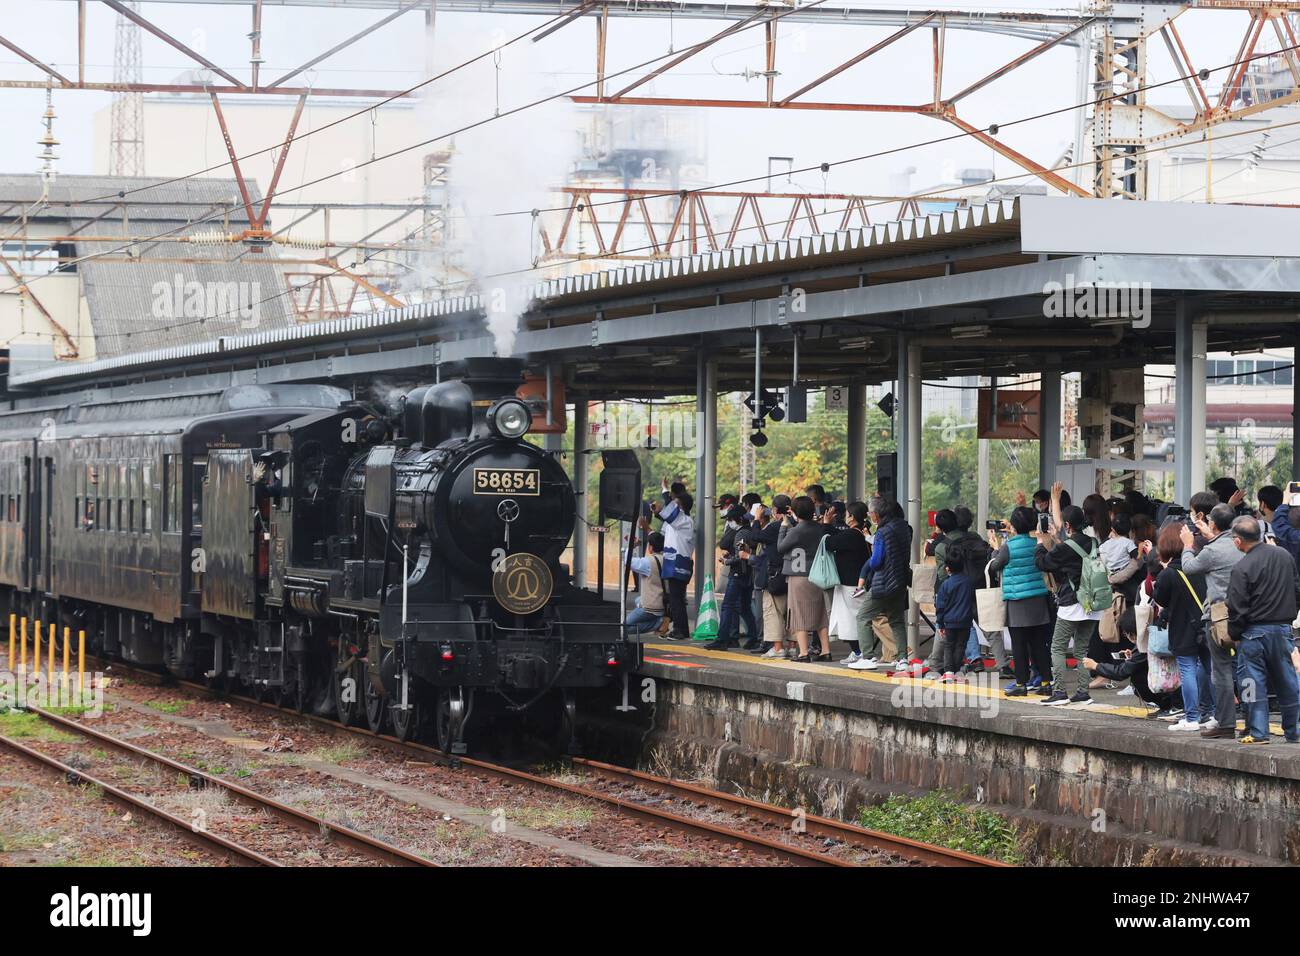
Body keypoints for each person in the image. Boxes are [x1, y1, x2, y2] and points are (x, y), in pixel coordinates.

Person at [1226, 515, 1300, 743]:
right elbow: (1297, 589)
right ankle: (1294, 730)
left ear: (1238, 541)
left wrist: (1235, 634)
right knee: (1288, 681)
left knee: (1250, 684)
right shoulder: (1284, 556)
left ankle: (1258, 732)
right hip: (1283, 629)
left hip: (1253, 634)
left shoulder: (1242, 567)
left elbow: (1237, 607)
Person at [1179, 503, 1243, 738]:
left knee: (1221, 670)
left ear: (1213, 523)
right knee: (1248, 669)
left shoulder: (1212, 550)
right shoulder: (1242, 545)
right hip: (1245, 614)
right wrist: (1210, 534)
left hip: (1218, 618)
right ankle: (1254, 722)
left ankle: (1226, 723)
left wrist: (1187, 545)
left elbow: (1189, 567)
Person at [1035, 504, 1102, 705]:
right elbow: (1071, 554)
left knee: (1057, 648)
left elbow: (1043, 563)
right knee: (1081, 650)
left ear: (1066, 524)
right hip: (1092, 601)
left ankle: (1060, 692)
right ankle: (1082, 692)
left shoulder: (1065, 547)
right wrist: (1057, 539)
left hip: (1072, 603)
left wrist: (1040, 543)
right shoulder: (1093, 541)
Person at [988, 506, 1054, 696]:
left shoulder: (1008, 547)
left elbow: (995, 566)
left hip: (1017, 602)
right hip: (1038, 601)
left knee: (1019, 645)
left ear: (1013, 526)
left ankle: (1020, 685)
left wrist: (994, 549)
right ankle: (1046, 682)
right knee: (1039, 644)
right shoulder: (1036, 544)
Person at [1152, 524, 1212, 733]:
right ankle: (1210, 713)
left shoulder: (1169, 574)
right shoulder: (1201, 566)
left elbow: (1160, 598)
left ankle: (1192, 716)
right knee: (1207, 667)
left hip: (1183, 628)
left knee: (1187, 669)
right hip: (1206, 625)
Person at [851, 497, 912, 672]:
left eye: (870, 513)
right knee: (897, 621)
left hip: (882, 582)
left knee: (863, 616)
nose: (869, 516)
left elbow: (876, 561)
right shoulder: (903, 528)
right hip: (899, 582)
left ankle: (867, 657)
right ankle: (902, 659)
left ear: (876, 515)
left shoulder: (882, 533)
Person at [778, 495, 832, 662]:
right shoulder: (819, 529)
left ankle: (803, 652)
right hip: (818, 575)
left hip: (799, 576)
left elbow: (781, 547)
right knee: (820, 613)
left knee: (799, 614)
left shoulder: (796, 530)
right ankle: (826, 651)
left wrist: (783, 526)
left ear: (794, 512)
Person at [643, 489, 695, 641]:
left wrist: (660, 509)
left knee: (676, 598)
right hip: (673, 563)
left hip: (680, 564)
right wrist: (658, 513)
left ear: (682, 507)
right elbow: (667, 520)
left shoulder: (685, 521)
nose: (673, 506)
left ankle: (680, 630)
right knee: (674, 598)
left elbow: (671, 515)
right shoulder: (675, 523)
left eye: (676, 504)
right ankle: (680, 629)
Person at [707, 506, 758, 650]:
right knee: (744, 608)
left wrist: (727, 561)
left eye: (730, 519)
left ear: (740, 519)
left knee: (727, 606)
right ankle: (754, 637)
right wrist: (732, 556)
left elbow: (740, 556)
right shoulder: (750, 531)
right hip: (748, 574)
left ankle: (722, 639)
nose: (729, 523)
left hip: (737, 574)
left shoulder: (740, 534)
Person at [826, 501, 871, 664]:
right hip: (856, 581)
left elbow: (829, 543)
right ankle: (859, 651)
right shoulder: (861, 533)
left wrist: (825, 525)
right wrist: (829, 526)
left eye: (847, 514)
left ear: (851, 517)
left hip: (850, 584)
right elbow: (838, 538)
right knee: (854, 618)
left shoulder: (852, 535)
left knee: (850, 619)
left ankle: (860, 652)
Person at [752, 494, 792, 659]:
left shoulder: (775, 527)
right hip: (793, 575)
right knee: (791, 612)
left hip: (775, 575)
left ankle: (777, 648)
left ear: (775, 510)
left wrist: (756, 519)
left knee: (773, 611)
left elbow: (755, 537)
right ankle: (794, 646)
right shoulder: (796, 524)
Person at [934, 553, 975, 682]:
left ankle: (948, 672)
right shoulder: (969, 582)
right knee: (960, 646)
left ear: (947, 568)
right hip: (966, 621)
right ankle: (956, 671)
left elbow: (940, 606)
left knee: (949, 646)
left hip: (950, 621)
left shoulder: (946, 584)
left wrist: (940, 623)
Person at [624, 532, 668, 634]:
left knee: (623, 627)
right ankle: (659, 619)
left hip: (651, 608)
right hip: (663, 603)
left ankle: (658, 623)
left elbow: (627, 560)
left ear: (651, 547)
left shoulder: (648, 562)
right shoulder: (667, 559)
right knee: (638, 600)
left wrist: (632, 546)